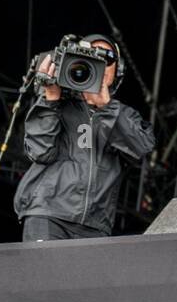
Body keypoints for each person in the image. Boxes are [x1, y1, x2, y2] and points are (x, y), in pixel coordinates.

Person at [13, 33, 156, 241]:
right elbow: (39, 151)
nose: (98, 62)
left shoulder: (124, 114)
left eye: (106, 57)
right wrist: (50, 98)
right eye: (89, 56)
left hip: (95, 226)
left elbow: (141, 148)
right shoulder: (57, 103)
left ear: (118, 69)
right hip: (48, 214)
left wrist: (106, 107)